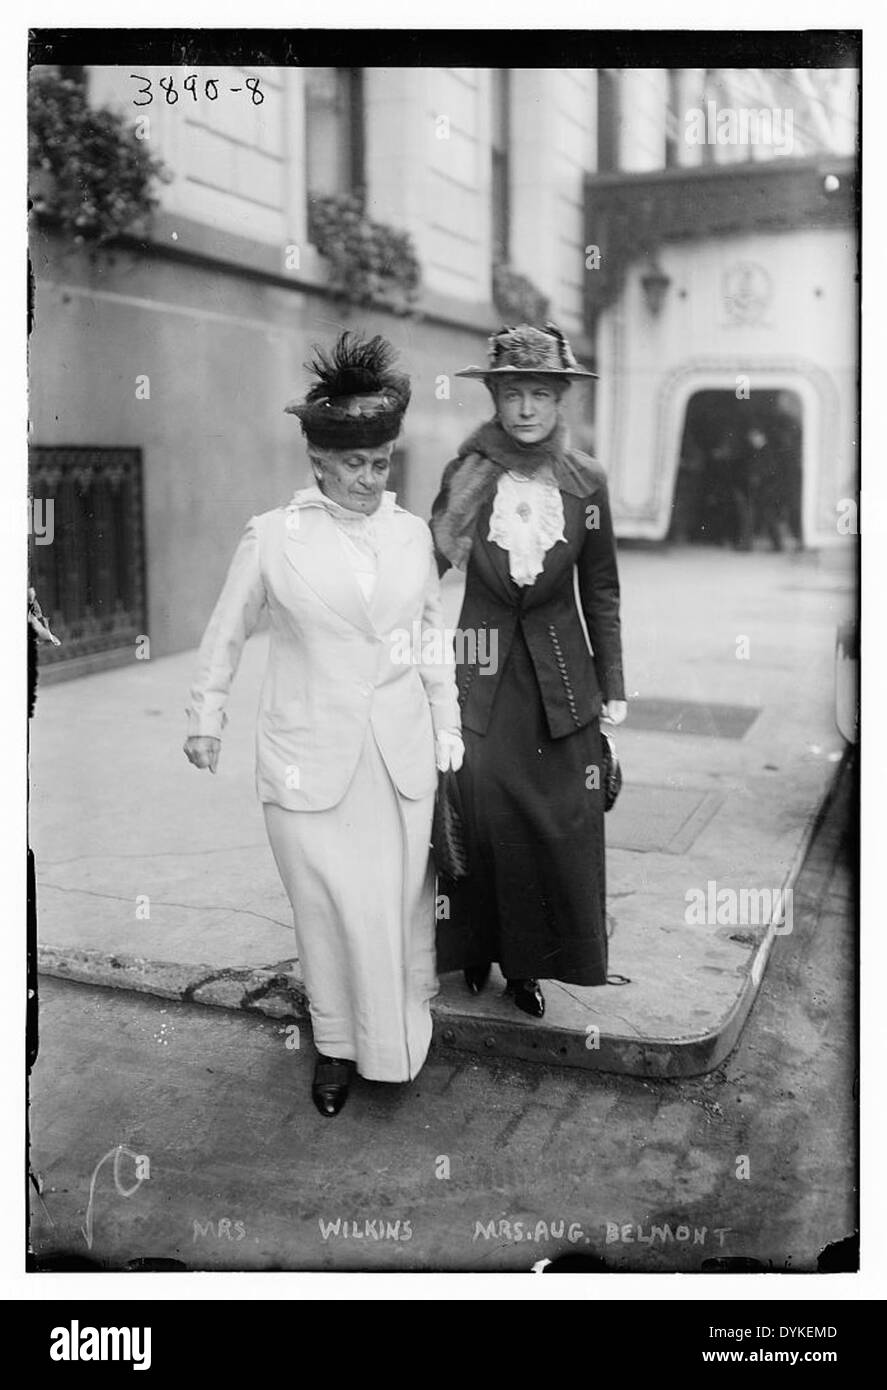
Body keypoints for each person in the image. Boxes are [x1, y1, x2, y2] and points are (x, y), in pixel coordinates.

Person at [184, 331, 463, 1117]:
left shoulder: (411, 535)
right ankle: (335, 1048)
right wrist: (206, 714)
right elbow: (226, 629)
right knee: (327, 910)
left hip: (399, 757)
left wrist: (448, 721)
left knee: (394, 910)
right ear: (317, 461)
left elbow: (428, 638)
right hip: (308, 758)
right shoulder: (273, 537)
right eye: (352, 465)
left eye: (380, 464)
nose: (369, 480)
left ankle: (396, 1044)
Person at [430, 322, 627, 1018]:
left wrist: (612, 684)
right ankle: (474, 952)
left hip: (560, 682)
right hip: (478, 676)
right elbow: (425, 571)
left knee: (552, 823)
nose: (524, 410)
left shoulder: (586, 480)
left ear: (559, 398)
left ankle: (529, 967)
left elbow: (599, 588)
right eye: (512, 393)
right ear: (494, 395)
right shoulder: (467, 473)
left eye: (539, 394)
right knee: (480, 818)